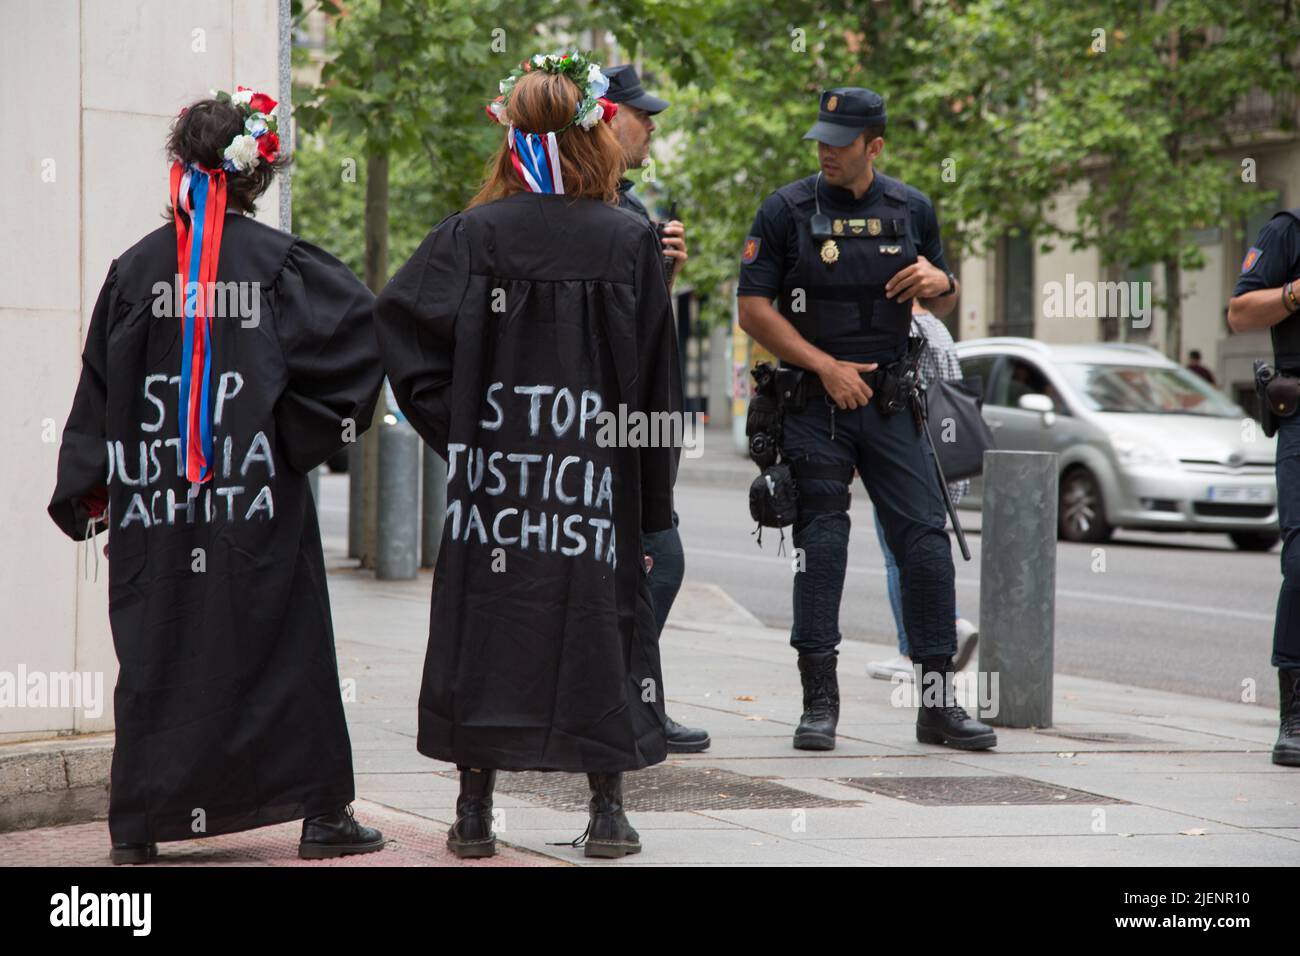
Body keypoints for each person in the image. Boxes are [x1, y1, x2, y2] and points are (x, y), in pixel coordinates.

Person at [47, 89, 386, 863]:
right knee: (287, 645)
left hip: (155, 502)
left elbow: (100, 386)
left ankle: (137, 831)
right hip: (256, 500)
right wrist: (294, 437)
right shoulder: (281, 265)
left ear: (183, 165)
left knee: (157, 651)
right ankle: (322, 816)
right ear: (256, 174)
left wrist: (95, 482)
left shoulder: (134, 271)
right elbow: (364, 344)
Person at [375, 52, 683, 858]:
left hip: (495, 491)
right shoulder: (628, 241)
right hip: (596, 491)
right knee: (600, 630)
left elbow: (400, 331)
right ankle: (607, 814)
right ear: (591, 140)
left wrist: (465, 432)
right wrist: (652, 509)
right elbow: (657, 387)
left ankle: (474, 815)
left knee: (487, 626)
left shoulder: (470, 235)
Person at [737, 86, 997, 752]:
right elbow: (754, 309)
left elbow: (945, 282)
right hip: (816, 404)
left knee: (927, 546)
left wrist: (940, 284)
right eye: (820, 138)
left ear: (873, 146)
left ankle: (937, 706)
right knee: (821, 549)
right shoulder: (786, 209)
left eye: (839, 141)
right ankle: (819, 705)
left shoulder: (912, 207)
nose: (825, 150)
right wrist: (826, 367)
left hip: (889, 402)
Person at [602, 62, 709, 753]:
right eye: (644, 116)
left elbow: (641, 325)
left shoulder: (631, 208)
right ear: (608, 118)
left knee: (650, 564)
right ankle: (623, 700)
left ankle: (633, 698)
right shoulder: (598, 211)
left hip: (641, 424)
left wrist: (663, 274)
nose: (652, 128)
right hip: (608, 429)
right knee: (656, 562)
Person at [866, 301, 978, 682]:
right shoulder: (939, 327)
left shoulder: (905, 326)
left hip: (912, 453)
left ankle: (913, 647)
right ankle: (947, 628)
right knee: (925, 547)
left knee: (898, 554)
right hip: (948, 452)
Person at [1227, 208, 1300, 767]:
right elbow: (1241, 312)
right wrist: (1295, 294)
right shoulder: (1287, 230)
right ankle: (1295, 714)